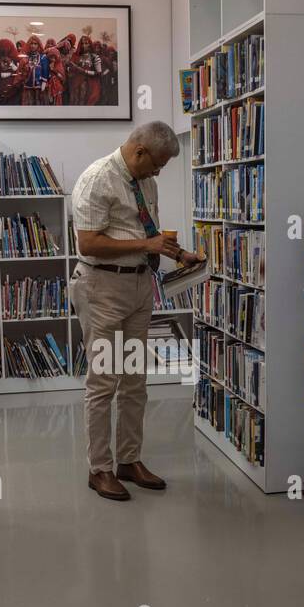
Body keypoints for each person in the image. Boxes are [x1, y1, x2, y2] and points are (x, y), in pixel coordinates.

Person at [69, 121, 204, 501]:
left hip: (138, 287)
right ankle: (100, 469)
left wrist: (180, 254)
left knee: (133, 379)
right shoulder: (98, 179)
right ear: (140, 151)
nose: (158, 172)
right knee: (103, 382)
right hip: (103, 288)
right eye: (157, 164)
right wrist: (148, 243)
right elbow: (89, 242)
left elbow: (149, 237)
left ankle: (129, 460)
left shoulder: (145, 182)